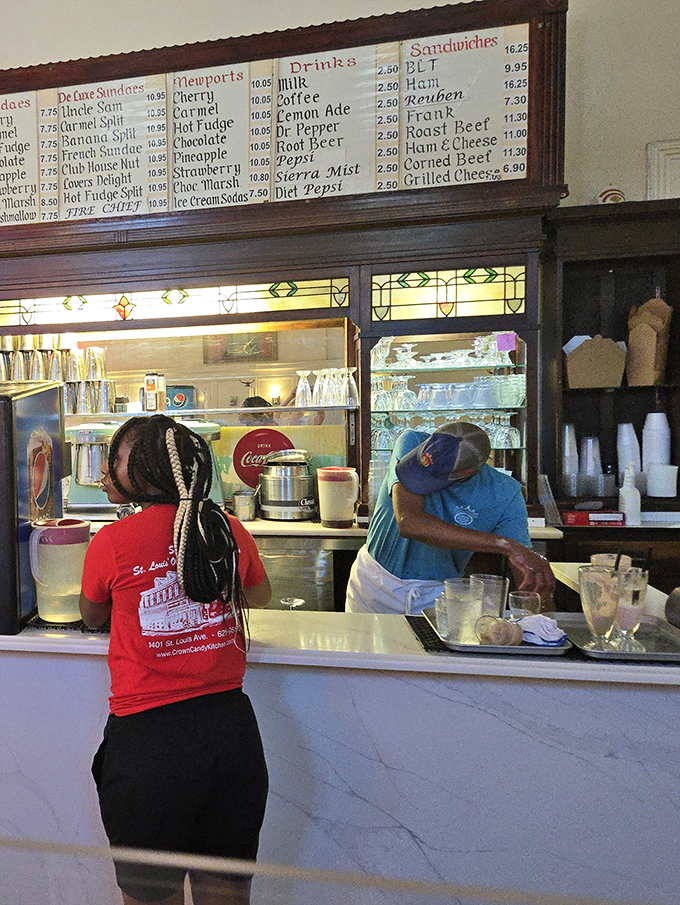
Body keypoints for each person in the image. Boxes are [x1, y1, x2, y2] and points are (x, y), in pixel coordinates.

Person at [80, 414, 271, 905]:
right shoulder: (226, 528)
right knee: (225, 893)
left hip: (149, 744)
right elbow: (261, 594)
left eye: (115, 459)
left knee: (151, 897)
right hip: (231, 735)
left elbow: (92, 615)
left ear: (144, 471)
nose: (106, 471)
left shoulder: (112, 542)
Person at [345, 421, 555, 615]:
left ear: (470, 472)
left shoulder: (505, 493)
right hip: (373, 584)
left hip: (437, 596)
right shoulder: (410, 441)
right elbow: (409, 523)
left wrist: (544, 625)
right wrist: (505, 545)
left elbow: (529, 579)